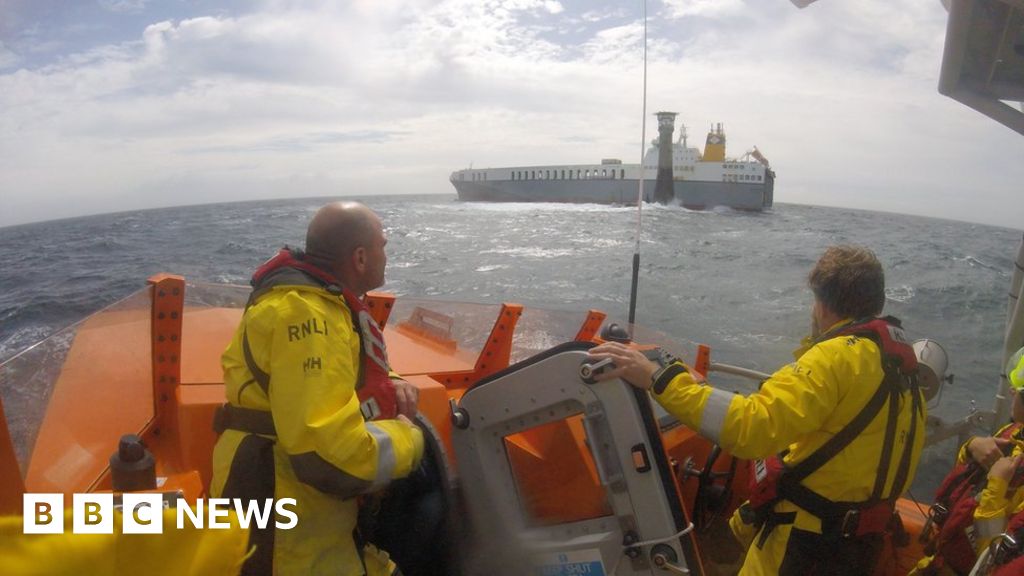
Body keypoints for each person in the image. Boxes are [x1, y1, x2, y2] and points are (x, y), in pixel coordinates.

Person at [588, 245, 926, 575]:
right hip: (860, 545)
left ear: (822, 306)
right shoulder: (900, 367)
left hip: (806, 548)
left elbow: (750, 429)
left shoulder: (835, 358)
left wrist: (657, 377)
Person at [210, 201, 425, 575]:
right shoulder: (309, 314)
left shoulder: (321, 303)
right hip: (287, 527)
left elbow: (348, 369)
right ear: (360, 257)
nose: (386, 255)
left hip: (310, 514)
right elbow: (329, 457)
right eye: (383, 246)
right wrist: (411, 440)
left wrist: (392, 383)